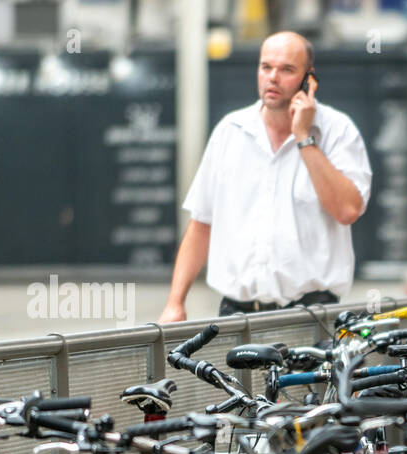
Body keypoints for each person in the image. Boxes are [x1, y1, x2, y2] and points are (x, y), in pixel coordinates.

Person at [158, 32, 372, 322]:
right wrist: (175, 302)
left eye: (286, 70)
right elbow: (201, 224)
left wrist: (303, 137)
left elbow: (347, 210)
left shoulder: (337, 131)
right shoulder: (230, 131)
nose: (272, 77)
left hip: (311, 316)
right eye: (266, 67)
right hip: (235, 315)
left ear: (309, 81)